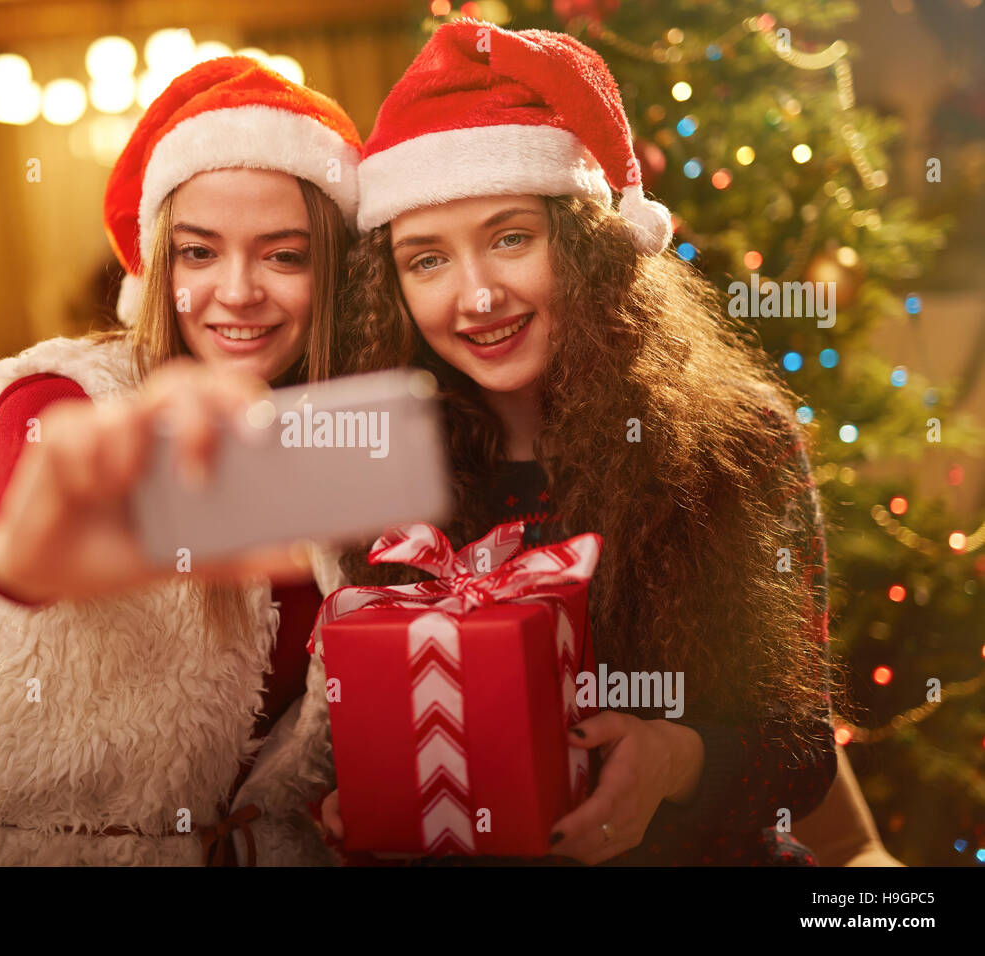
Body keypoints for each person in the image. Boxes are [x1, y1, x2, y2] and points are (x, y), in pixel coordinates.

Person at [313, 20, 846, 866]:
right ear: (394, 287)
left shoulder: (735, 444)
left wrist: (674, 759)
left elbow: (801, 756)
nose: (476, 295)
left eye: (511, 237)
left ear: (592, 247)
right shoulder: (384, 468)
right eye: (426, 260)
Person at [0, 56, 362, 866]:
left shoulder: (348, 431)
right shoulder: (65, 395)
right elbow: (13, 553)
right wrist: (57, 525)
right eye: (199, 253)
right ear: (158, 267)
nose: (238, 291)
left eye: (284, 255)